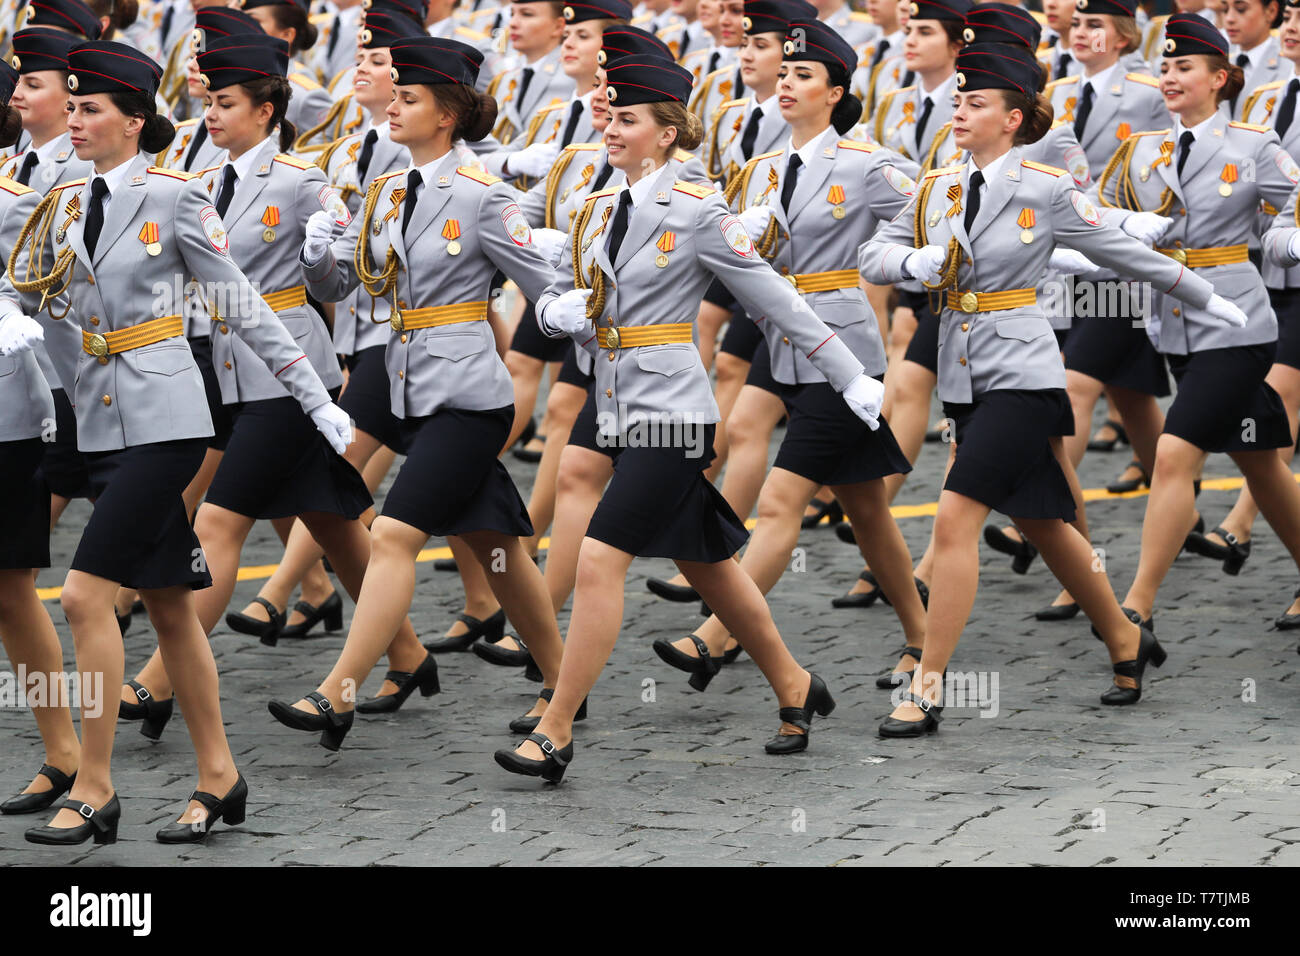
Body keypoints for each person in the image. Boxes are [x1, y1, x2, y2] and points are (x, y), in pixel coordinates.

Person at [495, 54, 884, 782]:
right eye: (608, 117)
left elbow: (775, 298)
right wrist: (556, 311)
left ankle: (556, 724)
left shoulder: (701, 212)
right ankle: (795, 685)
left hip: (674, 413)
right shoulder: (601, 206)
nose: (610, 129)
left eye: (627, 120)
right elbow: (578, 305)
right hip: (615, 400)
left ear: (667, 132)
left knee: (600, 558)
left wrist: (849, 372)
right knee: (710, 567)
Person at [0, 40, 351, 842]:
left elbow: (245, 305)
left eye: (92, 110)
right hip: (98, 426)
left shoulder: (175, 198)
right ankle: (220, 776)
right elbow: (21, 283)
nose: (76, 121)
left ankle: (93, 784)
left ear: (135, 120)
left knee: (88, 595)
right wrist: (12, 317)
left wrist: (312, 394)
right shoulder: (59, 202)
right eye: (75, 107)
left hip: (166, 423)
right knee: (169, 608)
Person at [860, 39, 1246, 737]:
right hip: (964, 375)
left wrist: (1205, 295)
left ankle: (928, 683)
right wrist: (910, 260)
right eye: (959, 99)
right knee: (1046, 522)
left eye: (977, 103)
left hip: (1025, 372)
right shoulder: (939, 184)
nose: (960, 110)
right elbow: (875, 250)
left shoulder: (1044, 187)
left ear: (1013, 119)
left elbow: (1121, 250)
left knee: (954, 519)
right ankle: (1126, 639)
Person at [269, 36, 566, 750]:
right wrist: (317, 252)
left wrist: (569, 317)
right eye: (393, 95)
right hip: (401, 382)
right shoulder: (385, 191)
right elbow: (341, 287)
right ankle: (563, 680)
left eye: (408, 98)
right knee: (496, 546)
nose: (392, 107)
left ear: (448, 115)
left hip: (467, 393)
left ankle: (336, 690)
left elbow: (545, 292)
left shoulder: (486, 198)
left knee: (396, 534)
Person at [654, 17, 926, 693]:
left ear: (836, 92)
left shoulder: (866, 165)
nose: (788, 84)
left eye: (804, 75)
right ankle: (924, 637)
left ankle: (716, 636)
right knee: (867, 511)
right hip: (781, 344)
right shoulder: (761, 169)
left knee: (780, 503)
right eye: (786, 74)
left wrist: (897, 256)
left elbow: (938, 207)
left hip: (843, 349)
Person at [220, 1, 426, 649]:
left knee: (233, 511)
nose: (361, 68)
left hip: (401, 332)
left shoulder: (418, 155)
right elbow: (328, 272)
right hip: (336, 336)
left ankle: (272, 597)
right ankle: (411, 647)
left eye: (379, 60)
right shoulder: (339, 152)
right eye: (358, 57)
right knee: (335, 506)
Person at [1109, 14, 1300, 634]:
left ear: (1220, 78)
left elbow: (1289, 204)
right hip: (1176, 324)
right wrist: (1125, 228)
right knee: (1261, 462)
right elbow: (1097, 212)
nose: (1169, 77)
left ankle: (1135, 608)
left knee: (1172, 453)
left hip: (1238, 325)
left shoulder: (1252, 145)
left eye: (1184, 67)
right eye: (1164, 67)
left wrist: (1286, 242)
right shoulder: (1141, 149)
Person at [1187, 0, 1300, 599]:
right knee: (1261, 433)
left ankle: (1138, 610)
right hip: (1272, 274)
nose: (1294, 29)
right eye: (1293, 16)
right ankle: (1239, 526)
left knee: (1274, 398)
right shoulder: (1260, 97)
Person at [0, 60, 82, 819]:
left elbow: (53, 306)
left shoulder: (18, 207)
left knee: (11, 591)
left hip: (8, 422)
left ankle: (63, 751)